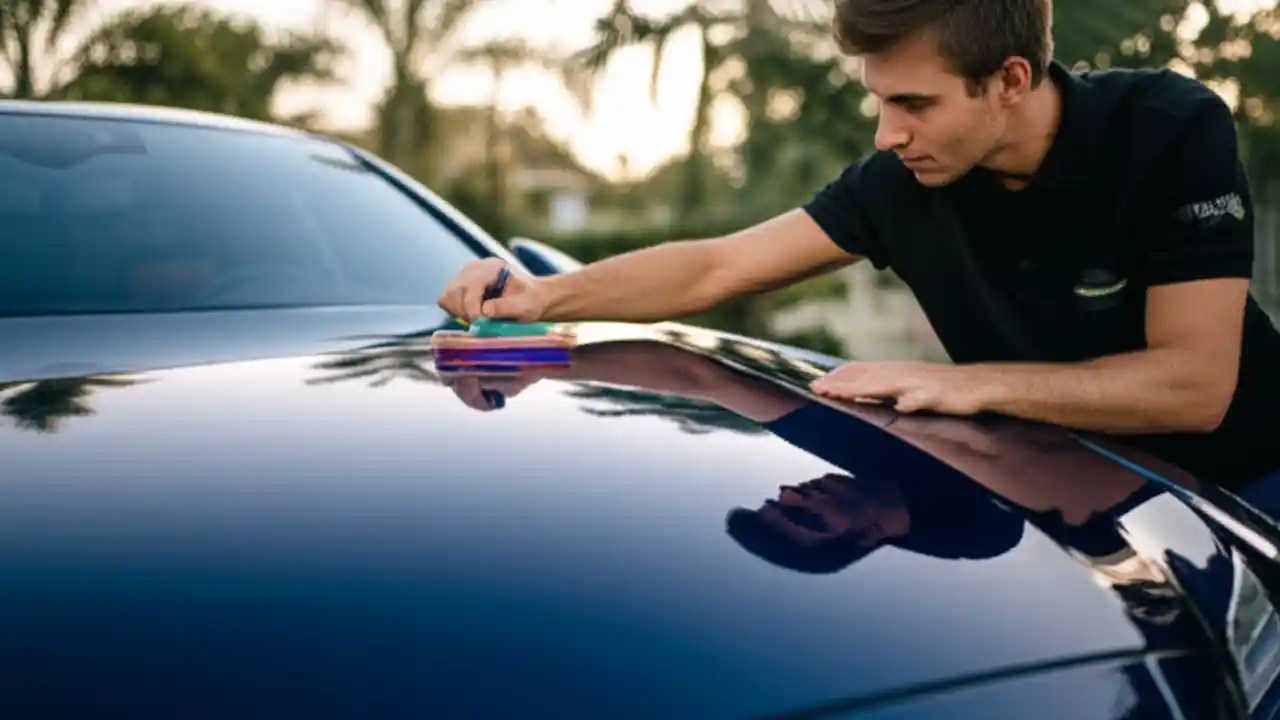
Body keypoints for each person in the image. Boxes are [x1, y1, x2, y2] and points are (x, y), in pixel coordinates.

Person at [437, 0, 1280, 494]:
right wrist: (544, 294)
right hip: (1061, 491)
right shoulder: (901, 182)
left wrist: (967, 384)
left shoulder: (1168, 129)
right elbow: (719, 265)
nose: (887, 134)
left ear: (1010, 80)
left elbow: (1193, 388)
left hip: (1248, 488)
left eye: (914, 104)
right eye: (880, 101)